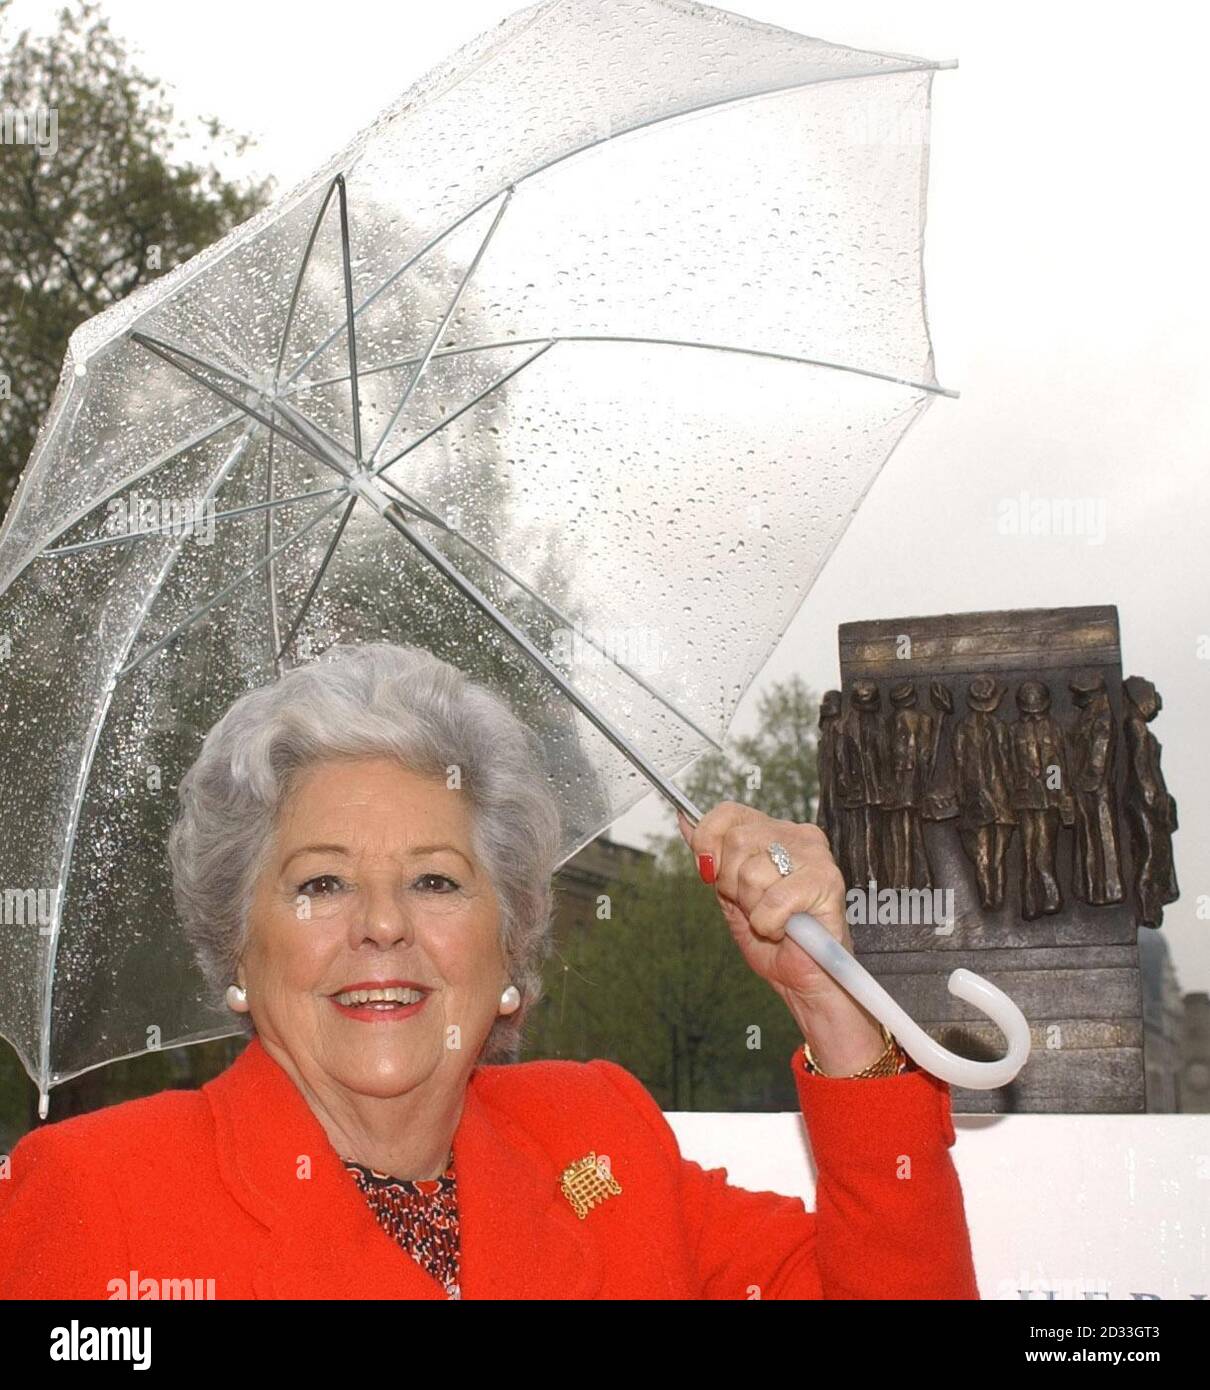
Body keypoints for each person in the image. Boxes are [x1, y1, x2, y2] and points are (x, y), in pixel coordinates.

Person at [0, 644, 978, 1300]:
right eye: (322, 881)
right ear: (238, 945)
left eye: (434, 878)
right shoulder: (97, 1204)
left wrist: (831, 1006)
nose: (382, 925)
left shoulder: (603, 1146)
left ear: (506, 945)